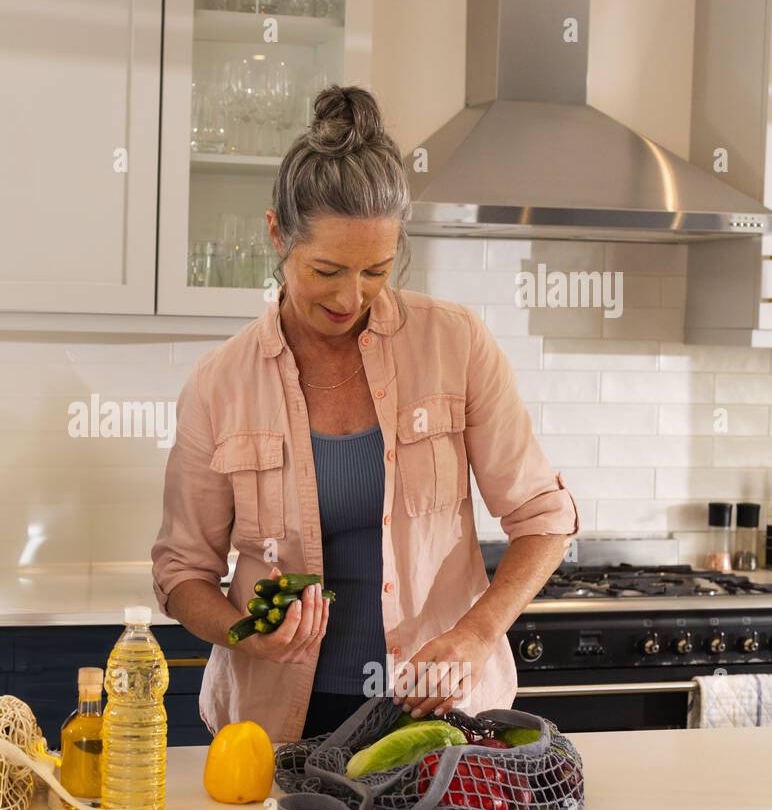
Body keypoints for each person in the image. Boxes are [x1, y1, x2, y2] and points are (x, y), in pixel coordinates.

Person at [151, 85, 579, 743]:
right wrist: (244, 633)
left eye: (376, 270)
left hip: (438, 714)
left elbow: (544, 521)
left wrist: (474, 632)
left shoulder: (455, 343)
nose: (352, 297)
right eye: (327, 270)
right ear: (276, 234)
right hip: (276, 726)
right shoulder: (221, 382)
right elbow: (183, 574)